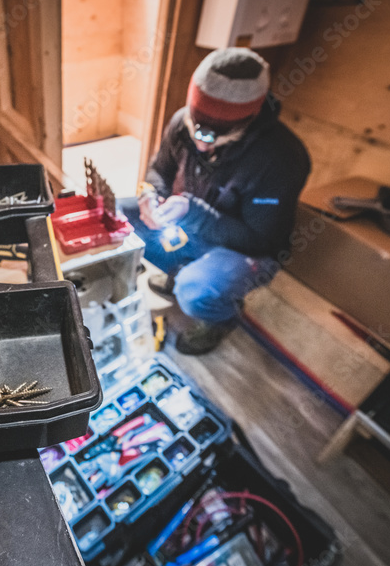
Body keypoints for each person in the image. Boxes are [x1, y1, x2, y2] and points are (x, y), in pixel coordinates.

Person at [122, 48, 311, 355]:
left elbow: (262, 240)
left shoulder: (280, 159)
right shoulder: (183, 123)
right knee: (119, 216)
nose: (199, 142)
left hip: (243, 247)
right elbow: (159, 170)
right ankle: (179, 267)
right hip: (190, 226)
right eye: (196, 124)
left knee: (196, 290)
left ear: (249, 118)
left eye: (214, 135)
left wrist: (193, 213)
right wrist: (149, 195)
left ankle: (221, 317)